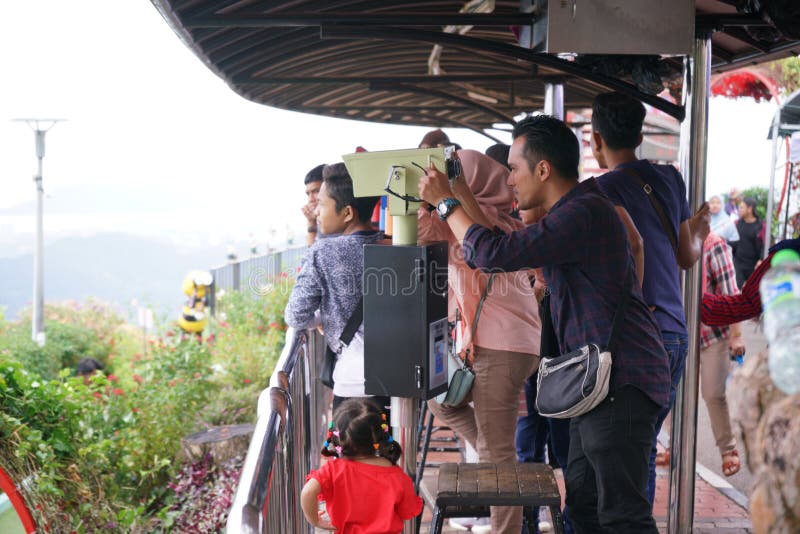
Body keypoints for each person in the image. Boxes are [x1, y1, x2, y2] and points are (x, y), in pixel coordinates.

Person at [419, 114, 669, 533]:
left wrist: (447, 203)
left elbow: (492, 253)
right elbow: (492, 244)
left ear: (543, 169)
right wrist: (456, 192)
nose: (510, 180)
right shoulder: (572, 213)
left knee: (623, 516)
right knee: (585, 509)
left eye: (514, 169)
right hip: (600, 385)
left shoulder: (582, 213)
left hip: (622, 382)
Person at [591, 91, 710, 504]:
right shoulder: (669, 178)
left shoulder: (598, 192)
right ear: (640, 135)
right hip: (674, 333)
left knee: (627, 453)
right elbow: (685, 256)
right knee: (641, 445)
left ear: (595, 139)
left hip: (636, 336)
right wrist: (698, 229)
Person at [418, 149, 541, 534]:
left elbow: (415, 236)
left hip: (499, 346)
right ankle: (496, 454)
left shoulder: (464, 223)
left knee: (498, 451)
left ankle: (507, 527)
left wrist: (424, 198)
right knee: (444, 404)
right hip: (514, 343)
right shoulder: (504, 221)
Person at [285, 164, 385, 412]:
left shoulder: (326, 251)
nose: (316, 212)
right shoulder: (389, 242)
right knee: (391, 447)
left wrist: (321, 318)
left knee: (354, 450)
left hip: (355, 382)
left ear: (347, 212)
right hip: (400, 372)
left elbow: (296, 315)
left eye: (322, 204)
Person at [301, 398, 423, 532]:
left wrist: (314, 520)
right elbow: (407, 512)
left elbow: (308, 492)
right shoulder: (397, 476)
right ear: (379, 435)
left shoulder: (333, 471)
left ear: (339, 438)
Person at [699, 232, 746, 476]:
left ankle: (728, 450)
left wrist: (736, 334)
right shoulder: (669, 239)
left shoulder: (714, 244)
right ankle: (673, 444)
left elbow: (731, 294)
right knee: (671, 392)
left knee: (712, 393)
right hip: (680, 331)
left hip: (713, 334)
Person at [702, 238, 800, 326]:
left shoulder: (788, 255)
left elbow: (750, 302)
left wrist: (699, 303)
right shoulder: (788, 254)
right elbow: (749, 301)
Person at [733, 196, 765, 288]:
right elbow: (732, 243)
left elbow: (764, 245)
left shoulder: (761, 226)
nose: (739, 210)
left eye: (742, 207)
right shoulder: (737, 224)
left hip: (754, 266)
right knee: (739, 290)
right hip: (738, 264)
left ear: (749, 209)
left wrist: (761, 260)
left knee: (751, 291)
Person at [302, 163, 326, 246]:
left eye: (316, 191)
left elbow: (312, 256)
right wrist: (311, 222)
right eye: (308, 194)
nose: (310, 199)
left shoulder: (334, 223)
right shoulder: (319, 221)